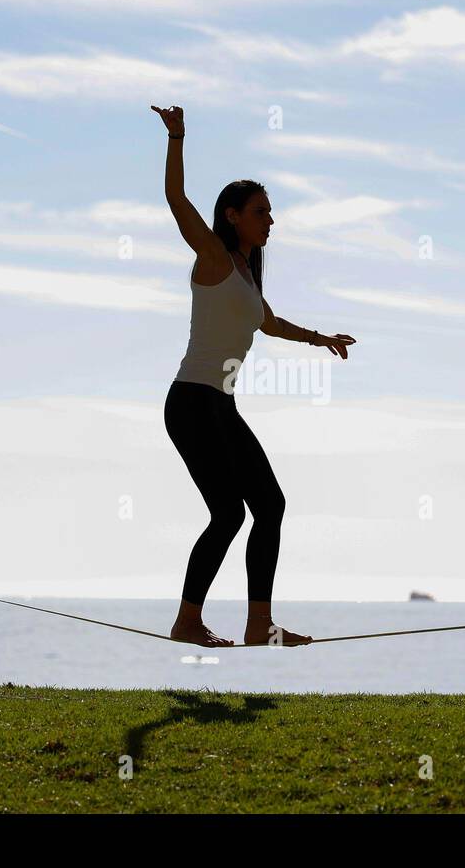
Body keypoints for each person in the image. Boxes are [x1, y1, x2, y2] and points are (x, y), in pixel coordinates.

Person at [151, 103, 356, 647]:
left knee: (269, 506)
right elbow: (176, 201)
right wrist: (178, 138)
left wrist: (321, 338)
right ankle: (187, 621)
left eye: (270, 211)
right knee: (227, 513)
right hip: (192, 402)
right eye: (261, 210)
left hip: (220, 405)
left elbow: (269, 323)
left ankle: (258, 622)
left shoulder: (244, 273)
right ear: (232, 214)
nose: (270, 219)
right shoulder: (215, 256)